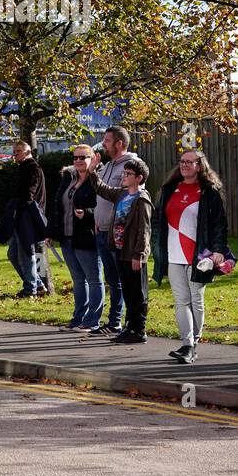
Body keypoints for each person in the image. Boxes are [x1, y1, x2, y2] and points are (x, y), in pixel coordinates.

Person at [153, 149, 230, 363]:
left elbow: (219, 224)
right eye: (182, 162)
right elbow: (159, 219)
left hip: (199, 255)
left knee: (196, 300)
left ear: (200, 165)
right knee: (181, 301)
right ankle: (187, 344)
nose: (185, 165)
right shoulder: (170, 189)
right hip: (174, 254)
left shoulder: (209, 191)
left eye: (190, 162)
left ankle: (193, 342)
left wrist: (217, 250)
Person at [90, 156, 153, 345]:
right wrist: (92, 171)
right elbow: (102, 189)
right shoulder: (122, 194)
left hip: (133, 254)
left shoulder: (141, 200)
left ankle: (139, 329)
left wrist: (139, 255)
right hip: (120, 250)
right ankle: (130, 327)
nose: (124, 176)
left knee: (137, 293)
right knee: (127, 290)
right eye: (124, 173)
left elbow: (144, 229)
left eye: (128, 174)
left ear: (139, 178)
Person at [47, 144, 104, 331]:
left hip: (87, 236)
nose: (79, 161)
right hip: (67, 237)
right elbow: (58, 206)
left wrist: (87, 214)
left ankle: (92, 320)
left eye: (83, 157)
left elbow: (105, 206)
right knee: (78, 280)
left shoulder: (97, 179)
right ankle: (78, 318)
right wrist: (52, 232)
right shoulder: (68, 178)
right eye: (76, 158)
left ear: (92, 159)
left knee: (94, 279)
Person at [92, 126, 139, 336]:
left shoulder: (131, 166)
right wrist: (95, 216)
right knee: (113, 280)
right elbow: (101, 194)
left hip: (117, 234)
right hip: (101, 230)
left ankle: (128, 324)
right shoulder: (109, 165)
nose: (103, 144)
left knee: (123, 281)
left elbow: (121, 197)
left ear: (120, 143)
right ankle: (114, 322)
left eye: (107, 140)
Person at [8, 141, 48, 298]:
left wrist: (21, 207)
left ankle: (31, 288)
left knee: (27, 253)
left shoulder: (31, 167)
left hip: (27, 216)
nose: (15, 154)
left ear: (28, 151)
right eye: (14, 151)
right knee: (14, 254)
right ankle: (37, 284)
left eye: (18, 151)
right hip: (23, 215)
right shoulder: (24, 167)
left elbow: (29, 193)